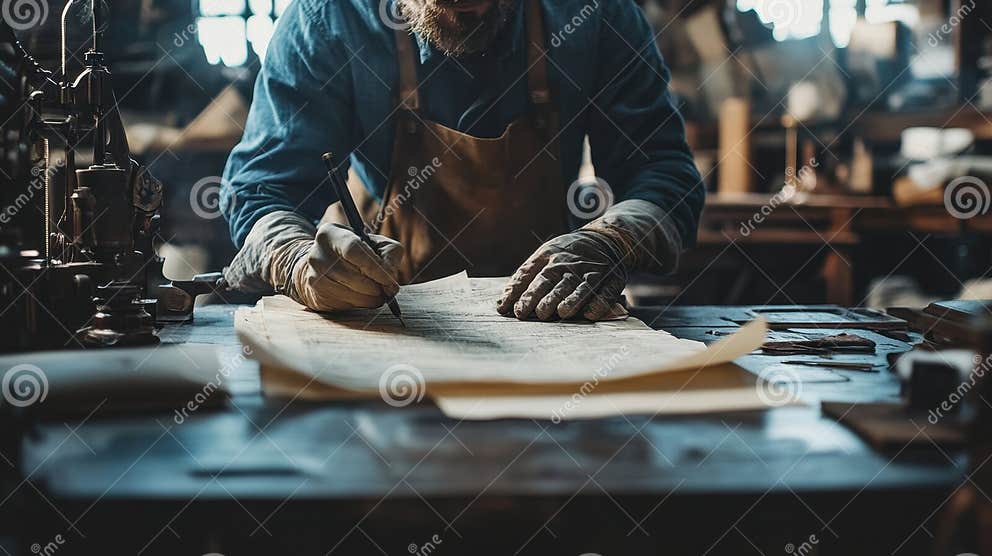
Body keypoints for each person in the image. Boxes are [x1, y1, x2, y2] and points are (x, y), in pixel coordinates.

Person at [221, 0, 703, 321]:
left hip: (557, 323)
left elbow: (663, 171)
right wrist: (296, 261)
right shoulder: (329, 18)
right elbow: (263, 188)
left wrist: (612, 242)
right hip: (386, 326)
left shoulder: (593, 14)